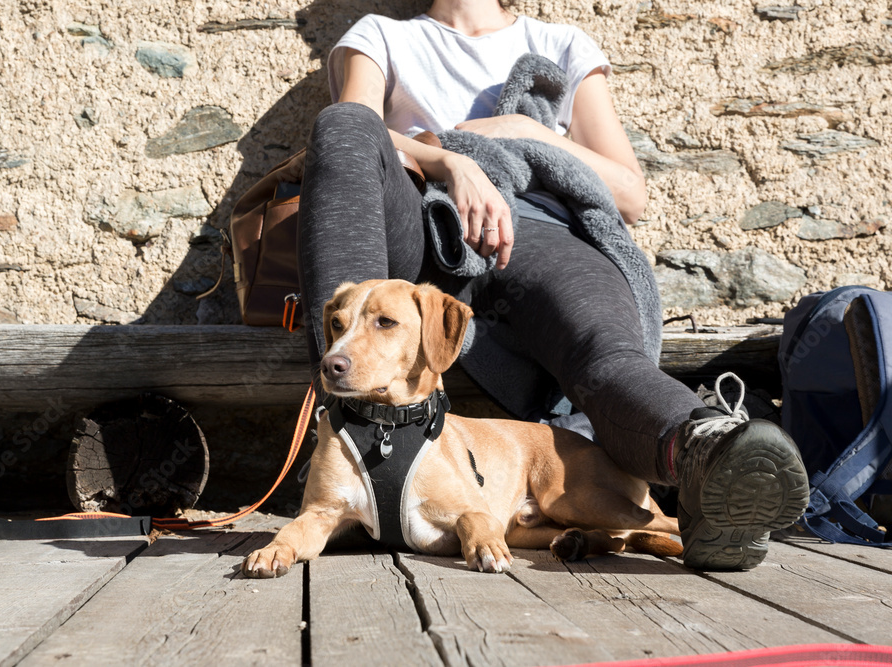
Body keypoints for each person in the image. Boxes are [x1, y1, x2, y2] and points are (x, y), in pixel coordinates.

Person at [295, 0, 809, 570]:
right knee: (341, 122)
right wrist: (452, 163)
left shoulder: (561, 45)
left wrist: (525, 132)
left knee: (603, 352)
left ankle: (704, 452)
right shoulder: (383, 36)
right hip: (423, 233)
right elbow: (355, 136)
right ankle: (342, 442)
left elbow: (629, 193)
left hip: (536, 233)